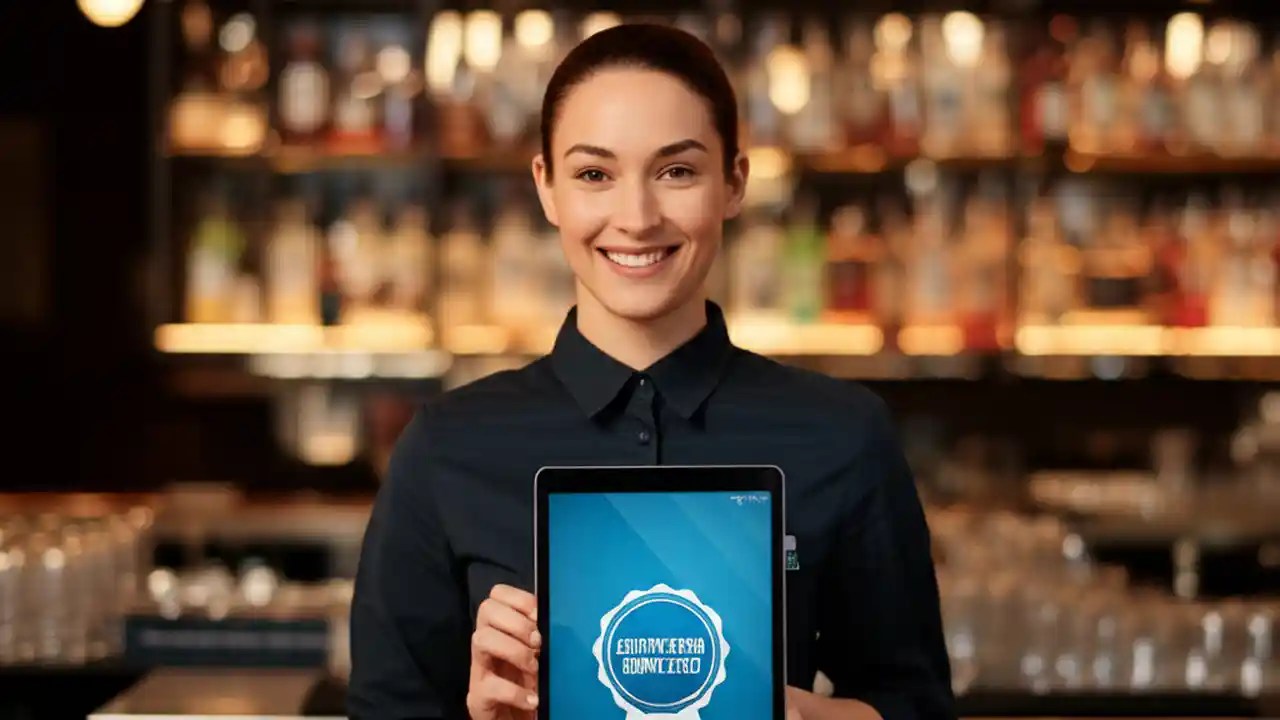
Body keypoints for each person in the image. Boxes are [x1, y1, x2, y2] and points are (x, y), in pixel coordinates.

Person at [348, 22, 954, 720]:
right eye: (594, 175)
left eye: (677, 171)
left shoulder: (843, 436)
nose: (635, 217)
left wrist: (781, 714)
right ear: (547, 188)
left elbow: (918, 708)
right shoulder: (447, 448)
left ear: (733, 182)